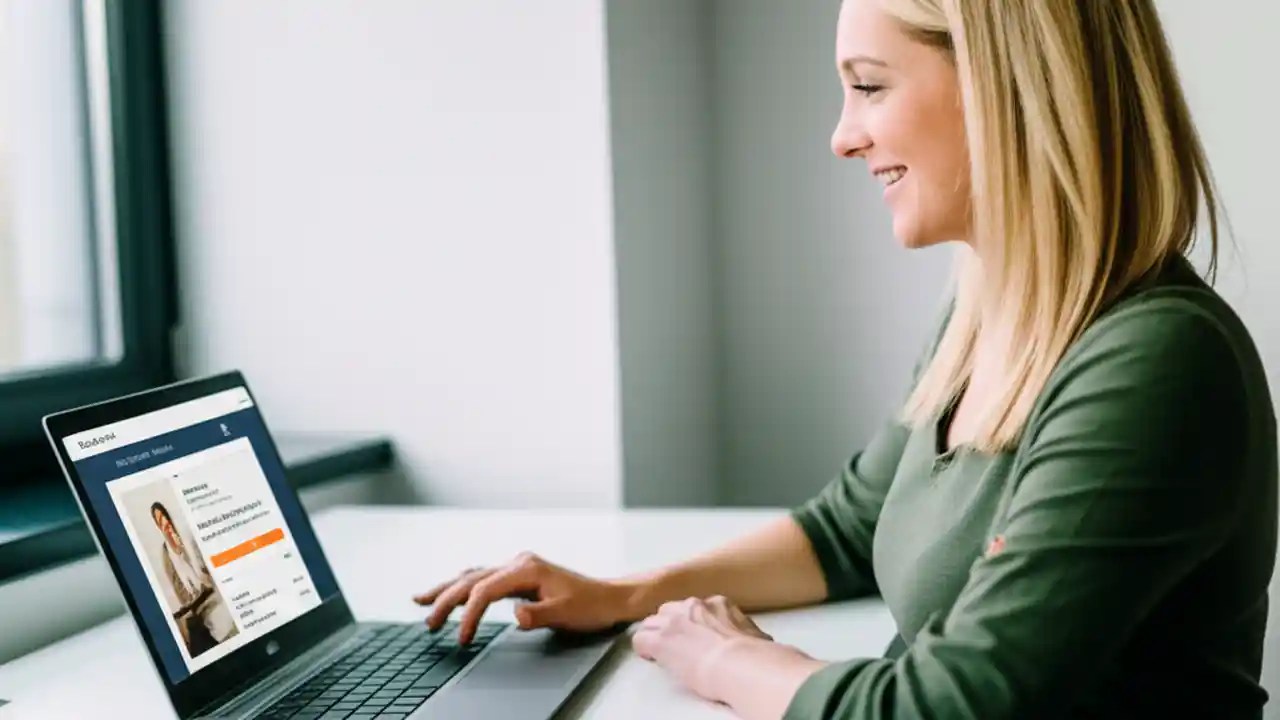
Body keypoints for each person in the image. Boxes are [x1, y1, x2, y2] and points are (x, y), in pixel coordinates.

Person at [413, 0, 1277, 717]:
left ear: (1006, 88)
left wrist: (732, 662)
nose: (843, 136)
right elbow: (849, 530)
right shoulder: (987, 316)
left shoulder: (1156, 361)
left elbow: (954, 707)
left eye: (868, 87)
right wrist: (622, 594)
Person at [151, 501, 237, 656]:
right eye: (160, 523)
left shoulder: (189, 536)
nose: (165, 525)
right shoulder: (167, 553)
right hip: (201, 607)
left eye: (165, 519)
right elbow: (181, 592)